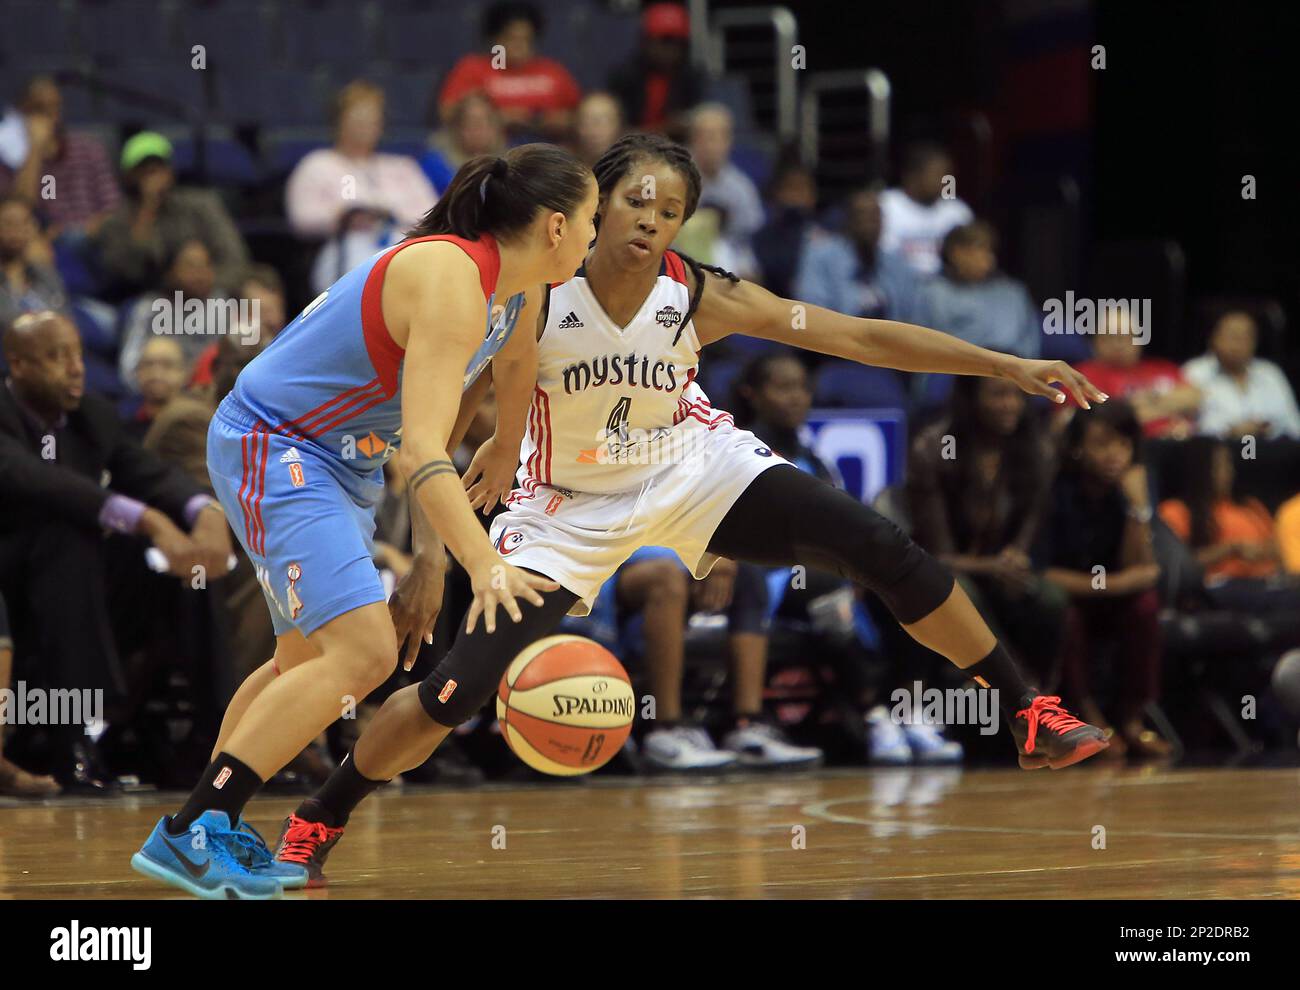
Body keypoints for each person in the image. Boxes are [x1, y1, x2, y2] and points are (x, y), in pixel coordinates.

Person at [272, 133, 1111, 886]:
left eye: (671, 210)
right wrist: (430, 560)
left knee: (880, 544)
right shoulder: (531, 293)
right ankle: (320, 814)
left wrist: (1003, 366)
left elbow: (855, 337)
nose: (651, 219)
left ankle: (1028, 709)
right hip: (565, 506)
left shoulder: (700, 295)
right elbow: (446, 432)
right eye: (637, 199)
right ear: (595, 207)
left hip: (690, 465)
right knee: (454, 691)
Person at [128, 145, 598, 899]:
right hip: (275, 442)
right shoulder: (451, 277)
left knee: (304, 665)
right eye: (590, 221)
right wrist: (484, 564)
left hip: (339, 462)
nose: (593, 237)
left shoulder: (519, 294)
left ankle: (208, 825)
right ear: (552, 226)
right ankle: (189, 831)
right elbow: (421, 451)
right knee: (365, 652)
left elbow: (506, 383)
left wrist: (489, 477)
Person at [0, 311, 231, 791]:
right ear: (17, 365)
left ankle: (217, 741)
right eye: (55, 357)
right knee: (70, 532)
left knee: (184, 566)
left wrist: (205, 512)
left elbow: (148, 471)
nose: (75, 368)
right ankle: (72, 737)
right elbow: (38, 483)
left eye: (77, 355)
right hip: (16, 588)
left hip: (82, 588)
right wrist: (147, 519)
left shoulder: (92, 414)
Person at [1035, 400, 1172, 759]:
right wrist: (1112, 585)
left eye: (1124, 445)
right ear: (1078, 447)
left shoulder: (1130, 490)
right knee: (1064, 615)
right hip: (1068, 597)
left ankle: (1132, 719)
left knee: (1145, 607)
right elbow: (1043, 572)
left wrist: (1138, 508)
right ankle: (1087, 719)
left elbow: (1143, 566)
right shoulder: (1054, 489)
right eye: (1103, 444)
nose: (1115, 455)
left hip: (1113, 598)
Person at [93, 132, 249, 298]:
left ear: (170, 171)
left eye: (159, 168)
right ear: (129, 176)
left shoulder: (202, 206)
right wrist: (147, 209)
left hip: (210, 294)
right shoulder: (116, 221)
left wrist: (200, 281)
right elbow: (128, 273)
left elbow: (236, 260)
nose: (154, 177)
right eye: (144, 171)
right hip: (151, 300)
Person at [437, 2, 582, 140]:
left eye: (527, 39)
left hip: (546, 148)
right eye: (511, 38)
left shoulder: (552, 71)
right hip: (488, 150)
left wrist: (556, 120)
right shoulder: (472, 68)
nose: (520, 46)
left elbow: (581, 115)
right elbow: (447, 113)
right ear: (494, 39)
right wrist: (497, 118)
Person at [794, 184, 925, 324]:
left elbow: (911, 317)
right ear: (849, 221)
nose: (871, 224)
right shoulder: (820, 257)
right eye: (863, 216)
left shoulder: (897, 264)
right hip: (836, 341)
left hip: (889, 342)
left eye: (875, 217)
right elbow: (814, 315)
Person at [1074, 306, 1201, 439]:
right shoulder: (1082, 375)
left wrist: (1139, 404)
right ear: (1095, 341)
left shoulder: (1163, 368)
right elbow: (1093, 422)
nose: (1119, 345)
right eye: (1110, 337)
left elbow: (1195, 398)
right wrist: (1166, 403)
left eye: (1126, 337)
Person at [920, 221, 1042, 358]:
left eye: (990, 250)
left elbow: (1030, 344)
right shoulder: (933, 294)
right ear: (955, 253)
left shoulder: (1012, 292)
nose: (988, 257)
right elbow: (930, 349)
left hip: (1015, 368)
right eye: (979, 249)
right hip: (960, 370)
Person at [1182, 310, 1300, 440]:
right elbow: (1182, 429)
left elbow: (1294, 426)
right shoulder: (1194, 372)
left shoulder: (1270, 373)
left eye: (1246, 337)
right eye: (1233, 336)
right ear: (1213, 339)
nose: (1239, 344)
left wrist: (1270, 429)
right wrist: (1228, 432)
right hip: (1217, 451)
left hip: (1267, 451)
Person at [607, 2, 707, 136]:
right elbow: (616, 129)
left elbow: (695, 121)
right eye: (663, 42)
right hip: (628, 149)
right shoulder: (624, 76)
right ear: (646, 42)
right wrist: (665, 128)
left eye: (676, 43)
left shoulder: (692, 76)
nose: (669, 50)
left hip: (680, 150)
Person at [878, 143, 974, 277]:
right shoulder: (886, 205)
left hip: (946, 285)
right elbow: (883, 257)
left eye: (948, 175)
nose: (945, 181)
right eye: (937, 174)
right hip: (897, 282)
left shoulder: (957, 211)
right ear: (912, 176)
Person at [420, 92, 507, 196]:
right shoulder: (435, 164)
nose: (478, 130)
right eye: (471, 122)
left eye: (486, 122)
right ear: (458, 127)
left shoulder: (511, 164)